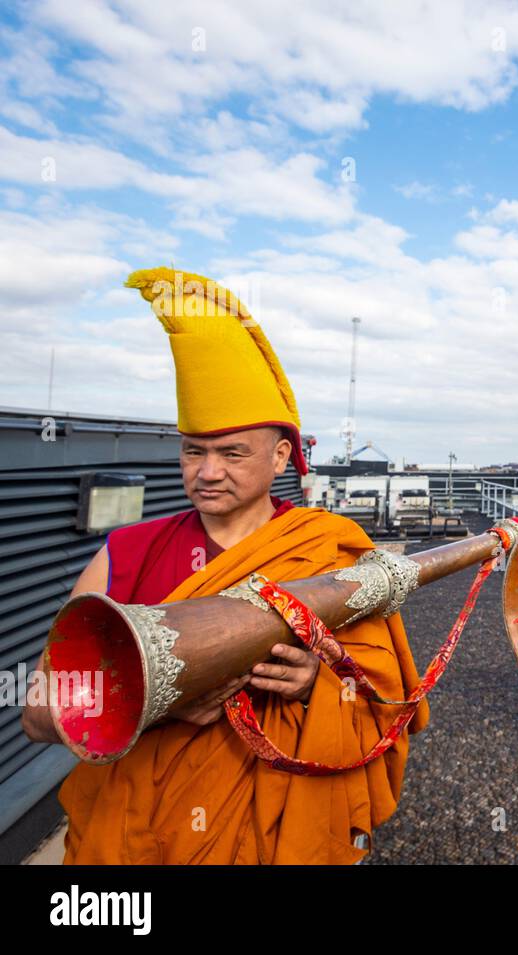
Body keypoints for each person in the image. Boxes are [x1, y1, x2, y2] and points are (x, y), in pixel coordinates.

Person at [23, 267, 430, 864]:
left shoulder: (327, 547)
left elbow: (388, 701)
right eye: (194, 451)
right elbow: (39, 711)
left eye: (232, 452)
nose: (207, 472)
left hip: (273, 836)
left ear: (281, 455)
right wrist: (147, 702)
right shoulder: (126, 553)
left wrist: (315, 686)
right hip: (135, 841)